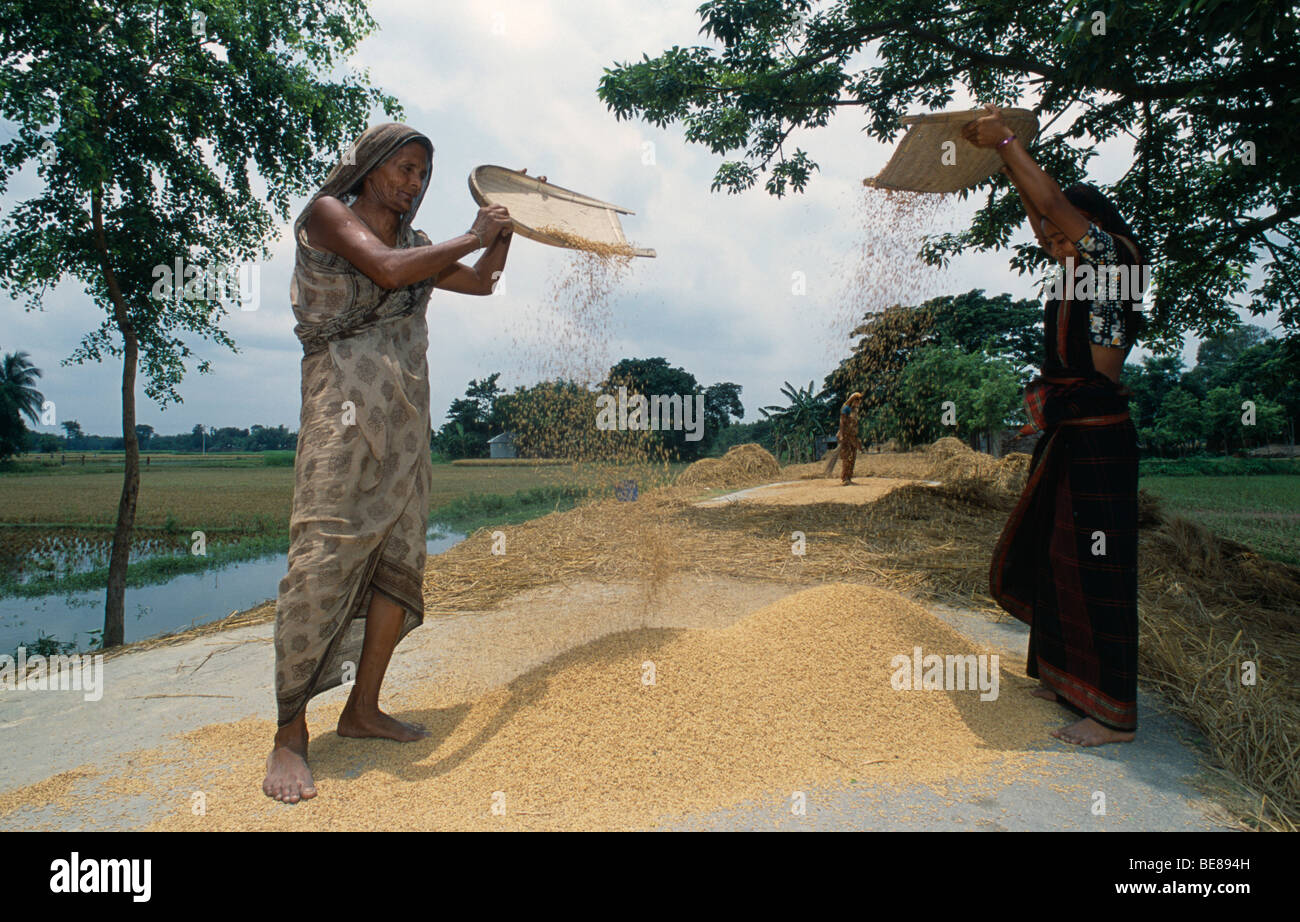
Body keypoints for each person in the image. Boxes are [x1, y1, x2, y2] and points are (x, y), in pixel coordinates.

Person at [262, 122, 538, 802]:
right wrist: (475, 231)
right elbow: (382, 271)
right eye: (403, 168)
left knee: (398, 558)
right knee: (320, 562)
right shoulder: (329, 216)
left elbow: (481, 282)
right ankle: (289, 733)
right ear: (369, 166)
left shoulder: (419, 246)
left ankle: (363, 709)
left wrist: (504, 231)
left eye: (421, 174)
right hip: (342, 419)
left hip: (406, 422)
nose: (412, 183)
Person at [962, 105, 1147, 746]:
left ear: (1091, 226)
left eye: (1063, 235)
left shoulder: (1115, 262)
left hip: (1098, 436)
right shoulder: (1076, 272)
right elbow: (1041, 209)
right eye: (1048, 241)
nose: (1052, 244)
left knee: (1097, 566)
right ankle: (1060, 675)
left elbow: (1051, 203)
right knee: (1053, 551)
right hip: (1072, 433)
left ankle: (1111, 714)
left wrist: (1010, 142)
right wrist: (1004, 165)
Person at [838, 392, 864, 485]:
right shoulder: (846, 408)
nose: (858, 404)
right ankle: (845, 478)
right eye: (857, 401)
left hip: (852, 436)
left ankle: (849, 477)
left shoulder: (854, 410)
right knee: (847, 456)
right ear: (853, 400)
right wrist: (841, 434)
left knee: (853, 456)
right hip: (846, 435)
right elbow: (842, 422)